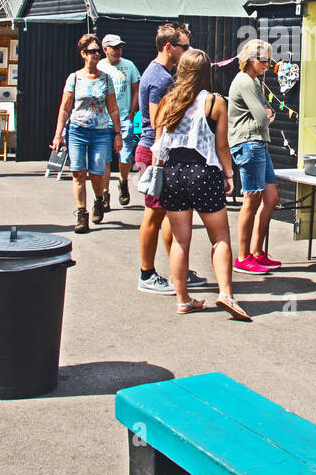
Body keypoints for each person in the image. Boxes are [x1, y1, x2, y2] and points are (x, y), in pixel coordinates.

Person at [152, 49, 249, 321]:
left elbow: (157, 146)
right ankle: (226, 294)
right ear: (207, 72)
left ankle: (183, 299)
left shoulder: (167, 101)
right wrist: (229, 176)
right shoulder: (215, 102)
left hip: (172, 172)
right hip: (203, 173)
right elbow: (221, 145)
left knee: (180, 241)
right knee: (220, 238)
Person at [134, 22, 204, 294]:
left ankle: (180, 271)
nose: (188, 51)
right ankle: (146, 274)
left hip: (159, 151)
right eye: (184, 46)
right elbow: (156, 120)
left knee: (166, 213)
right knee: (153, 214)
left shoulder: (162, 73)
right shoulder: (161, 78)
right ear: (169, 47)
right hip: (155, 151)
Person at [51, 34, 121, 233]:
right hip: (77, 130)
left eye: (98, 51)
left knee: (96, 174)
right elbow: (65, 108)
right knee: (78, 173)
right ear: (83, 54)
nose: (97, 54)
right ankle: (82, 214)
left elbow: (113, 108)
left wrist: (117, 134)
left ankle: (99, 199)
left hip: (100, 132)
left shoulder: (105, 79)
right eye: (92, 51)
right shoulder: (74, 78)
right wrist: (58, 134)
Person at [228, 39, 282, 273]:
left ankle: (257, 251)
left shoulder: (254, 82)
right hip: (249, 143)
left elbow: (268, 115)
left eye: (269, 61)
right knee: (251, 200)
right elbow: (262, 118)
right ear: (250, 59)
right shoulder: (246, 82)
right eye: (263, 60)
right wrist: (266, 115)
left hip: (258, 143)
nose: (267, 65)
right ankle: (242, 256)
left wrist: (267, 115)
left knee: (271, 198)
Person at [98, 34, 141, 210]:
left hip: (124, 118)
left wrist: (132, 112)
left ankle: (123, 181)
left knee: (125, 156)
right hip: (104, 120)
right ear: (105, 49)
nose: (118, 51)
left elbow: (136, 89)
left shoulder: (129, 66)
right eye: (114, 47)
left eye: (120, 47)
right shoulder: (99, 66)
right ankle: (105, 193)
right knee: (105, 159)